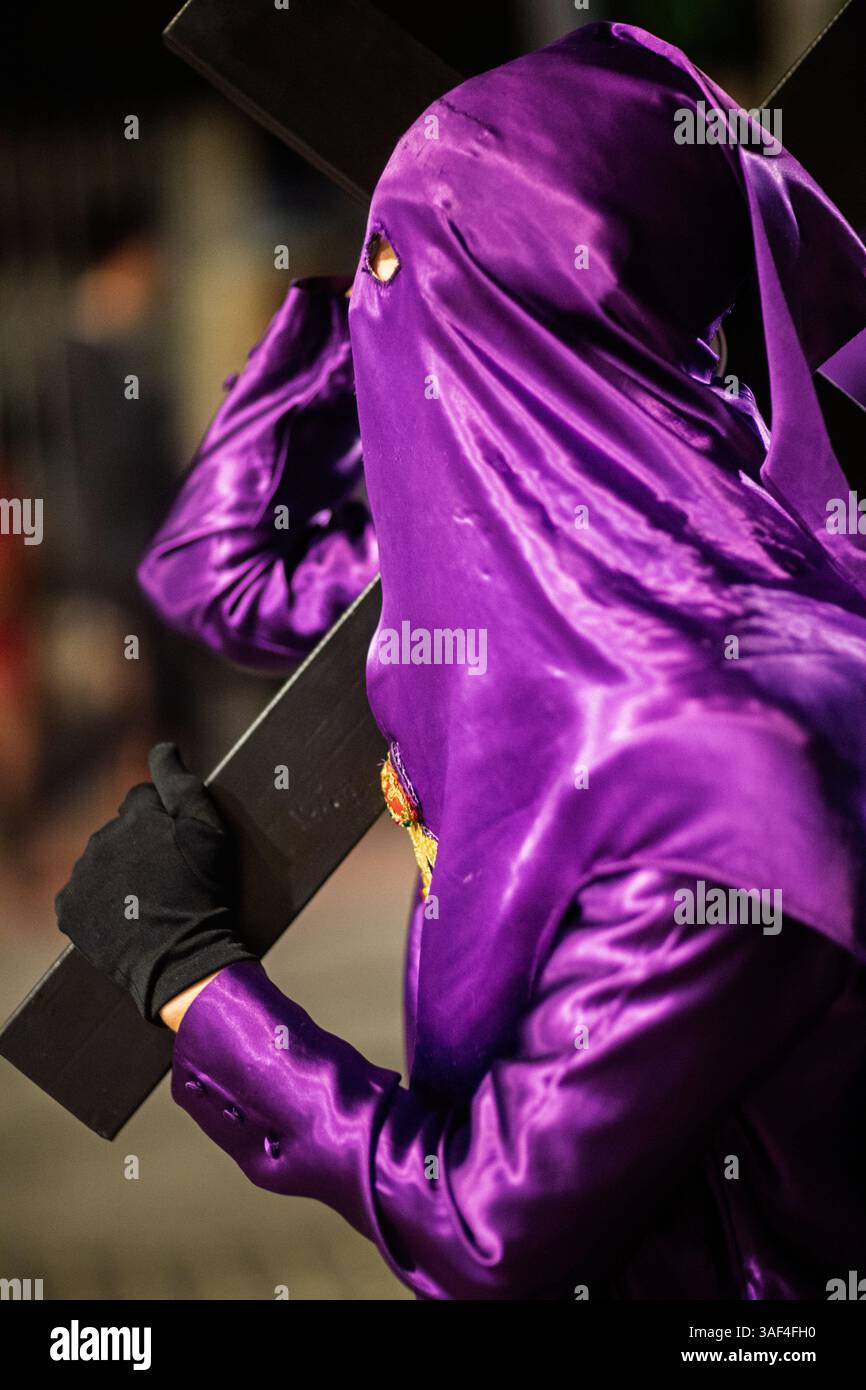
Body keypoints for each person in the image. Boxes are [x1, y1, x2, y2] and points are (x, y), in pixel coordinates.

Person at [56, 23, 866, 1300]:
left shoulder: (725, 764)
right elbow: (216, 573)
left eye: (400, 282)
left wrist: (192, 980)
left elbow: (486, 1225)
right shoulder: (524, 572)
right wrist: (331, 333)